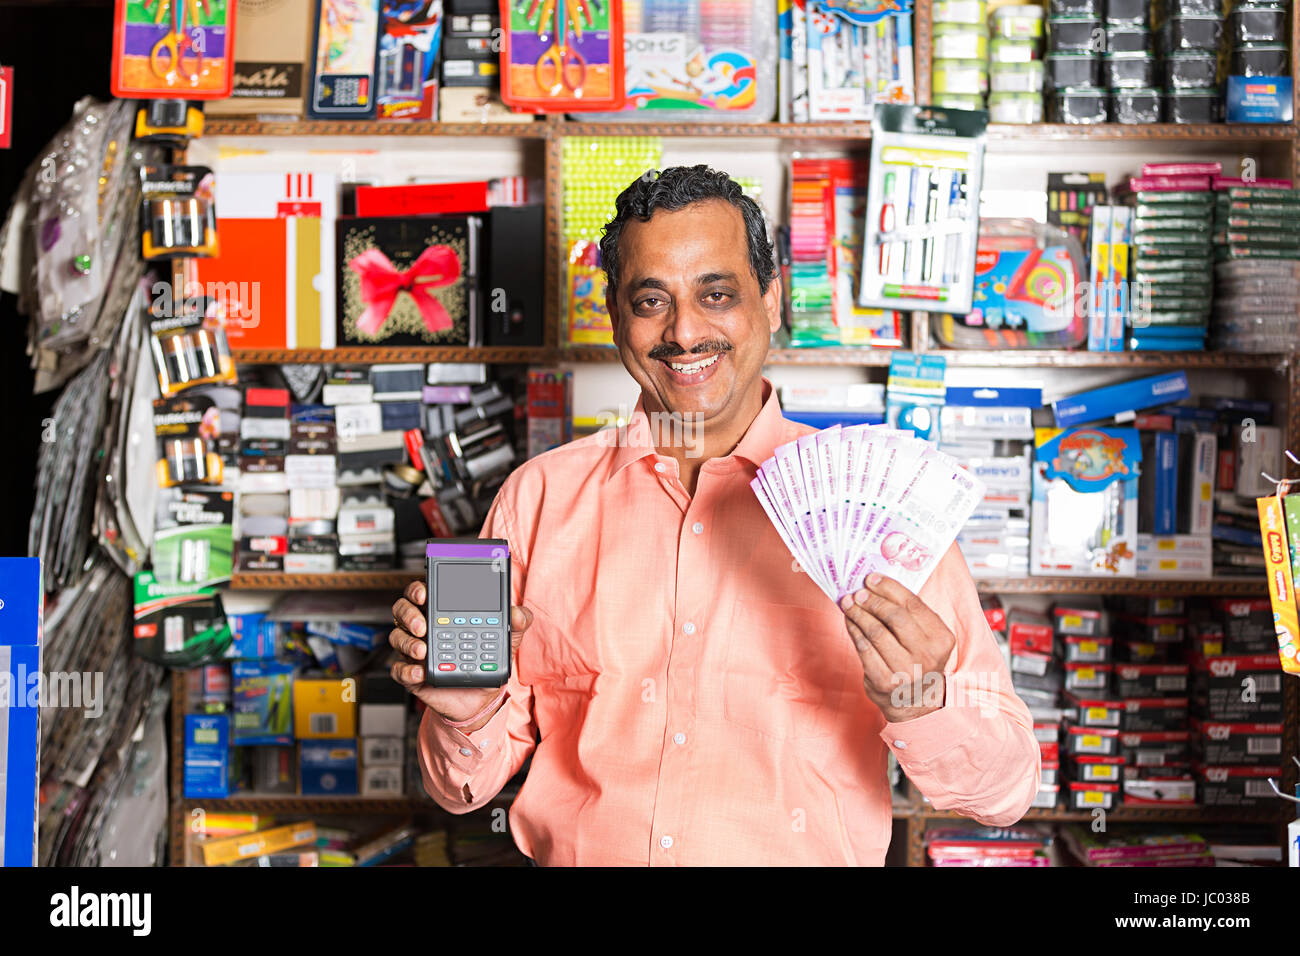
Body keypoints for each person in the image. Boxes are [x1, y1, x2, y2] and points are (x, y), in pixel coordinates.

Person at [388, 165, 1040, 866]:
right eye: (650, 301)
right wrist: (463, 712)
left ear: (773, 298)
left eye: (717, 293)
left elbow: (1005, 795)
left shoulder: (885, 510)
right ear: (616, 318)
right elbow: (461, 790)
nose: (685, 331)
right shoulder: (537, 500)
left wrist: (923, 701)